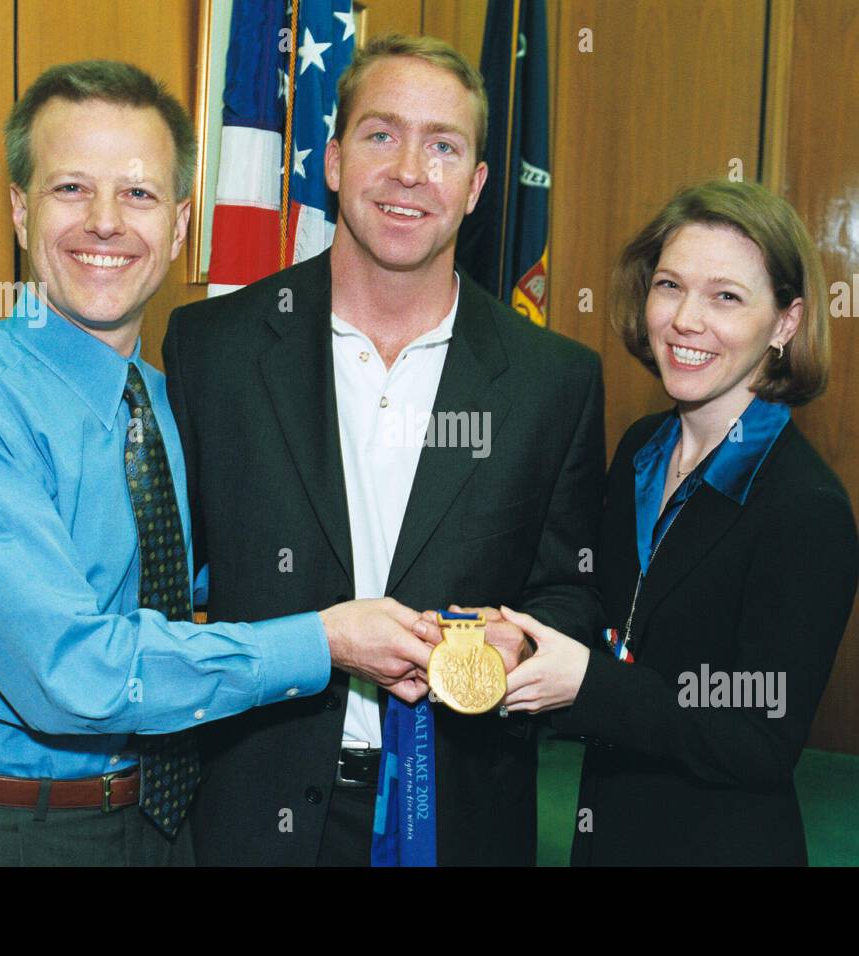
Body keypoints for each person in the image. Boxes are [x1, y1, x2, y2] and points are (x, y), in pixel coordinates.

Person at [0, 60, 433, 867]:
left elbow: (201, 581)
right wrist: (321, 641)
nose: (105, 223)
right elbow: (73, 673)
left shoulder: (167, 402)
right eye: (71, 188)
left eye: (138, 194)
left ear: (179, 227)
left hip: (162, 821)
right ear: (17, 208)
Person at [164, 34, 606, 866]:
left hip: (462, 813)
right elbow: (168, 585)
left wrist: (520, 644)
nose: (410, 170)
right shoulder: (211, 349)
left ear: (476, 186)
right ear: (332, 162)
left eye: (443, 146)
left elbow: (572, 594)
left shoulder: (555, 381)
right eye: (381, 135)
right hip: (253, 810)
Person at [499, 180, 859, 865]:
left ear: (785, 323)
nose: (686, 320)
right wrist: (521, 642)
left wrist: (589, 685)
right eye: (670, 286)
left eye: (727, 296)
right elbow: (616, 626)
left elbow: (760, 742)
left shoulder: (805, 508)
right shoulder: (641, 446)